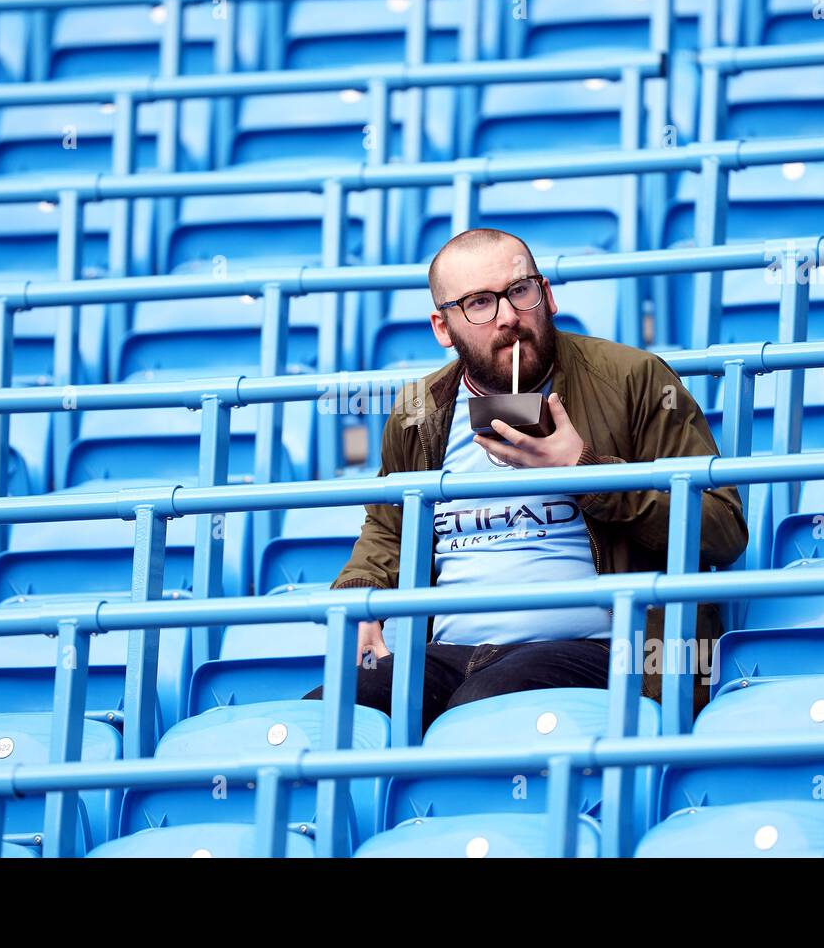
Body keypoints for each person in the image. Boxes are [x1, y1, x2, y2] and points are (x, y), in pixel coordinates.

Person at [303, 227, 747, 733]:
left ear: (548, 295)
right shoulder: (417, 411)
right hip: (448, 654)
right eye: (478, 303)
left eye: (520, 290)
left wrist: (581, 470)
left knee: (482, 710)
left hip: (601, 650)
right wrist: (362, 600)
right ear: (443, 328)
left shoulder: (634, 380)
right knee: (332, 712)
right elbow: (389, 529)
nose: (509, 316)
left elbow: (722, 530)